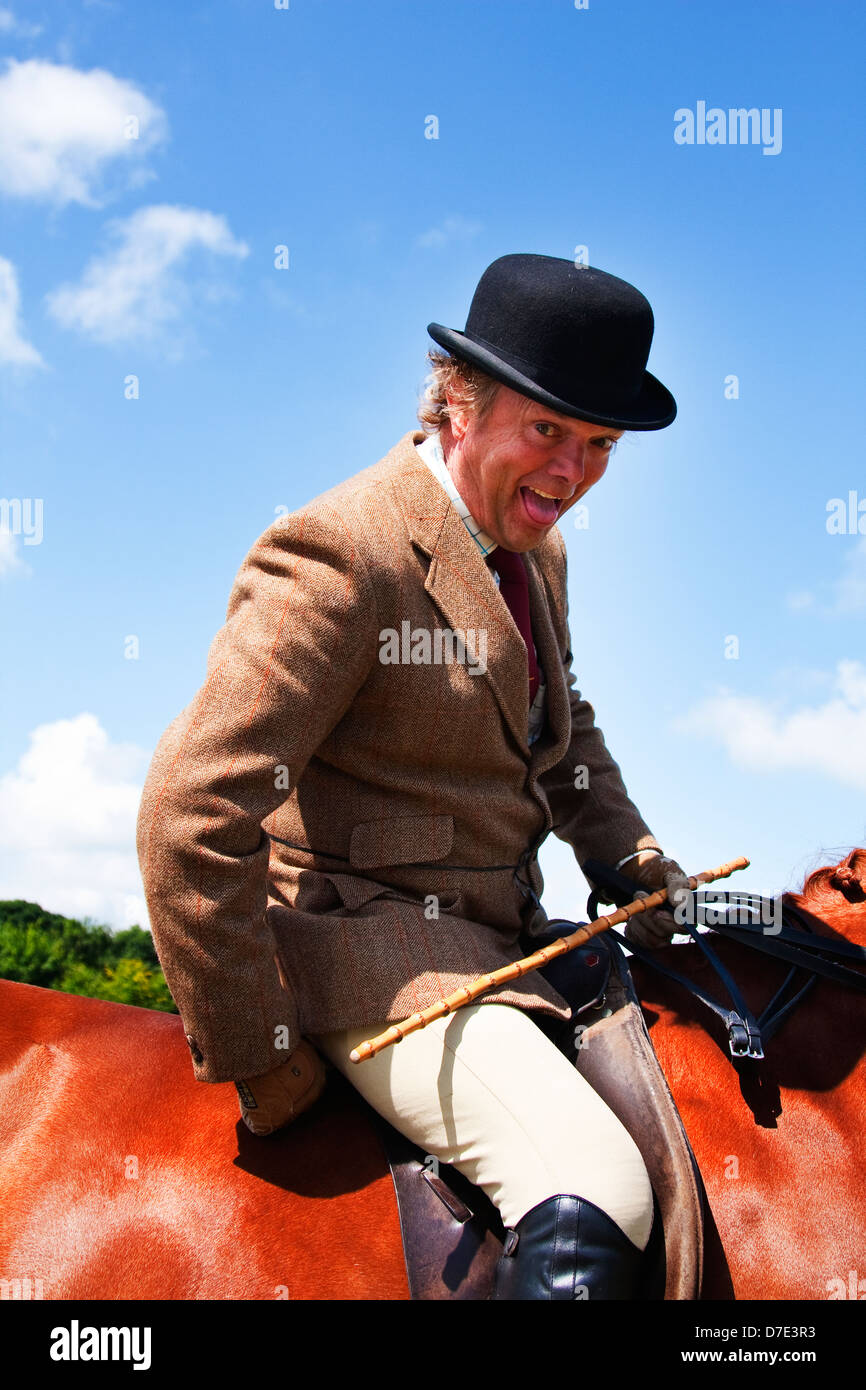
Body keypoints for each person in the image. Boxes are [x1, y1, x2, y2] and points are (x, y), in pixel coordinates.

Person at [136, 252, 690, 1300]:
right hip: (368, 961)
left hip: (506, 944)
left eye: (599, 445)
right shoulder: (342, 551)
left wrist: (633, 862)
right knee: (595, 1185)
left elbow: (559, 732)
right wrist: (265, 1055)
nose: (571, 473)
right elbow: (189, 811)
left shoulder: (536, 553)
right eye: (546, 432)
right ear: (455, 399)